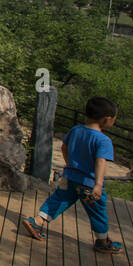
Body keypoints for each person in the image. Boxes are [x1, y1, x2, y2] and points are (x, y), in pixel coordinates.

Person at [22, 96, 124, 254]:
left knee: (59, 199)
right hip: (88, 184)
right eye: (114, 119)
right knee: (97, 211)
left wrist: (70, 164)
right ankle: (102, 241)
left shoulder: (76, 130)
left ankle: (36, 221)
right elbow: (100, 162)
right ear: (106, 119)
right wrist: (97, 184)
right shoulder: (103, 140)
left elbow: (64, 147)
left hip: (69, 177)